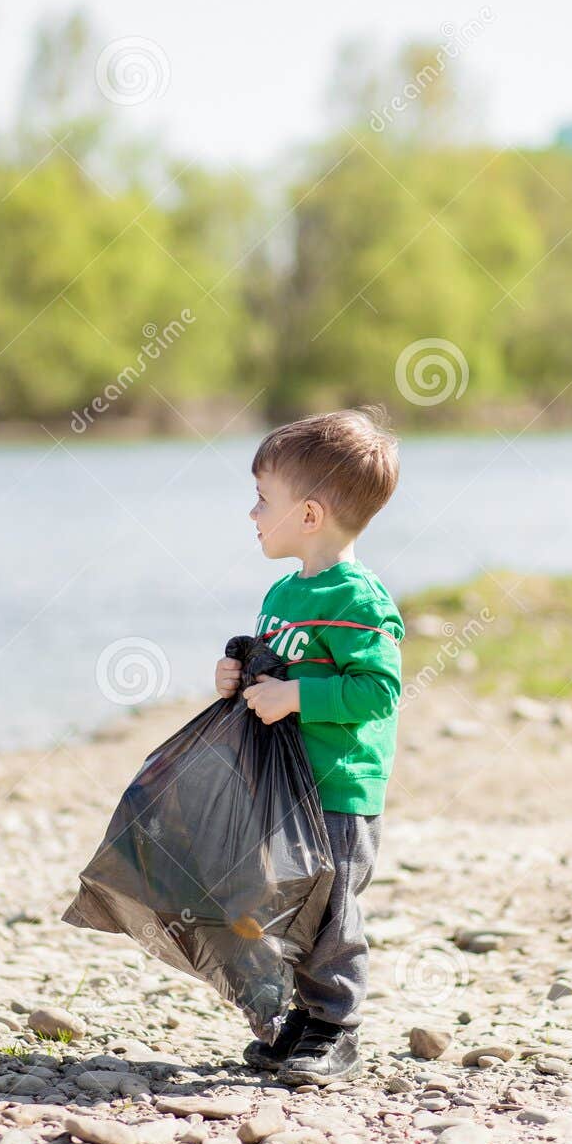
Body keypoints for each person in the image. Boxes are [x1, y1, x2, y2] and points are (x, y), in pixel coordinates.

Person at [215, 407, 403, 1085]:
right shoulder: (284, 593)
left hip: (336, 788)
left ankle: (335, 1028)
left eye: (263, 499)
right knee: (287, 899)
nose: (251, 513)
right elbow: (280, 671)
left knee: (331, 910)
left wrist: (297, 698)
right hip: (284, 784)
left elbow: (376, 691)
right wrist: (238, 677)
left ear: (311, 515)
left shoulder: (359, 599)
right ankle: (303, 1015)